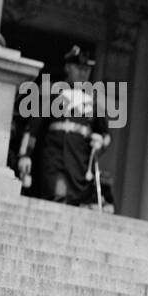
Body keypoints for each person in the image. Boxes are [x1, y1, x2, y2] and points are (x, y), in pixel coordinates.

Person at [17, 45, 109, 205]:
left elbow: (106, 134)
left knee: (72, 201)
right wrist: (26, 155)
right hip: (54, 158)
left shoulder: (94, 100)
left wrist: (100, 142)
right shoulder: (52, 92)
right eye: (78, 68)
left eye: (86, 69)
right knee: (58, 195)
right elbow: (33, 127)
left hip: (79, 162)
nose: (83, 73)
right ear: (67, 67)